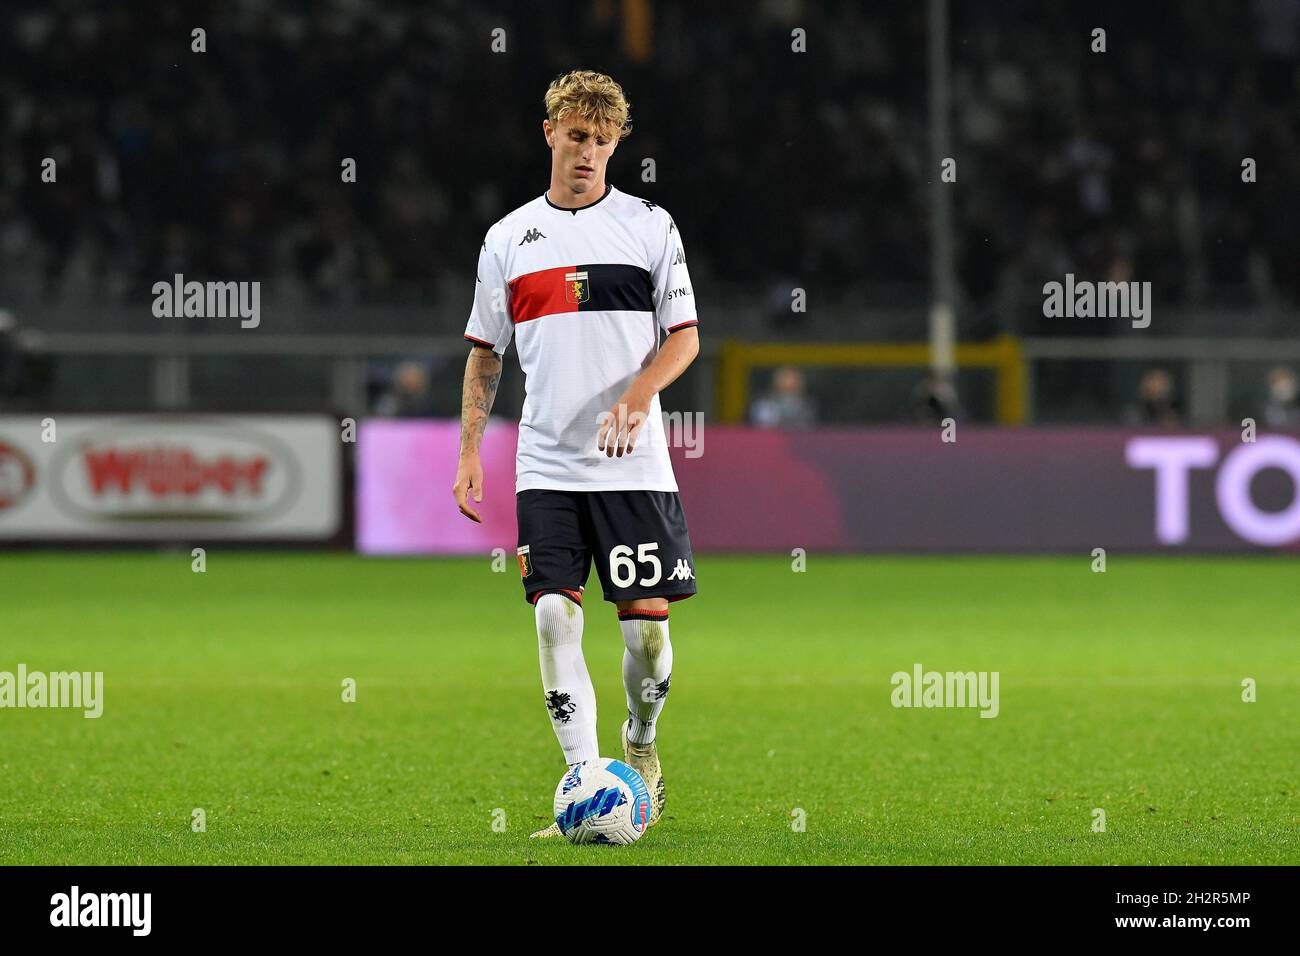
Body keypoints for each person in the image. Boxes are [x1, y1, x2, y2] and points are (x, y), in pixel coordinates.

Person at [452, 71, 699, 838]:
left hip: (635, 468)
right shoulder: (508, 240)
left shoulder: (651, 226)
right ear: (549, 133)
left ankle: (640, 740)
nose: (587, 151)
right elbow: (486, 354)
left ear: (616, 143)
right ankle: (585, 789)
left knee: (647, 642)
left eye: (602, 139)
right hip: (548, 468)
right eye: (575, 135)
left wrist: (637, 397)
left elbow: (685, 337)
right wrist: (469, 452)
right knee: (555, 618)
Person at [750, 365, 817, 427]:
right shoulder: (765, 404)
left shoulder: (808, 405)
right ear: (776, 381)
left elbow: (809, 427)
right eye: (785, 378)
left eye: (794, 379)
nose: (790, 382)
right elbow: (762, 426)